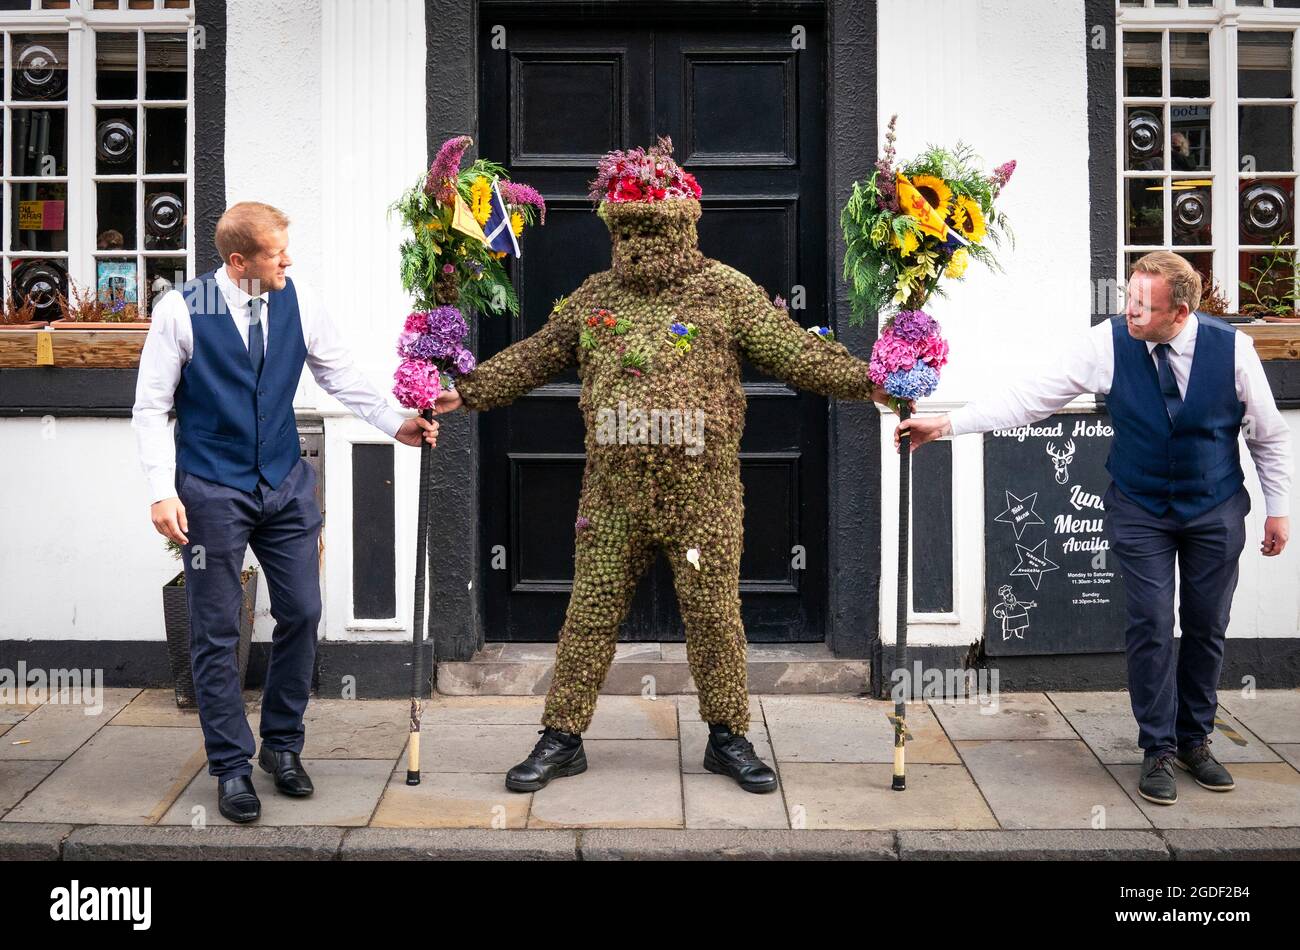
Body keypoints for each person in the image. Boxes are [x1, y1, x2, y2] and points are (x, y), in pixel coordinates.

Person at [436, 138, 899, 795]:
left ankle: (728, 737)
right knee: (589, 616)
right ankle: (562, 737)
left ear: (687, 222)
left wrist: (871, 382)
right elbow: (535, 355)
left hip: (702, 503)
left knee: (713, 616)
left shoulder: (724, 293)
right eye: (629, 229)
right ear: (612, 228)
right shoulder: (593, 298)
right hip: (612, 500)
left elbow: (797, 354)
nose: (642, 241)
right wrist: (466, 390)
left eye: (655, 226)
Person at [897, 251, 1292, 806]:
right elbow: (1032, 397)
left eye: (1141, 305)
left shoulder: (1233, 351)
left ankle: (1195, 741)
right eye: (1127, 297)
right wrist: (948, 424)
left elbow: (1268, 435)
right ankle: (1156, 746)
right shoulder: (1107, 343)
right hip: (1140, 508)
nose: (1127, 311)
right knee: (1152, 622)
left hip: (1214, 507)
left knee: (1207, 625)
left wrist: (1277, 508)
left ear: (1179, 313)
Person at [133, 201, 438, 823]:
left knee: (302, 610)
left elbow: (338, 373)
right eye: (277, 253)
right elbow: (150, 406)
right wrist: (162, 490)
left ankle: (281, 745)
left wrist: (395, 423)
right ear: (240, 261)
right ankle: (229, 766)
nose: (289, 261)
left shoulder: (299, 301)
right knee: (217, 630)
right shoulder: (182, 310)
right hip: (212, 490)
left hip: (285, 483)